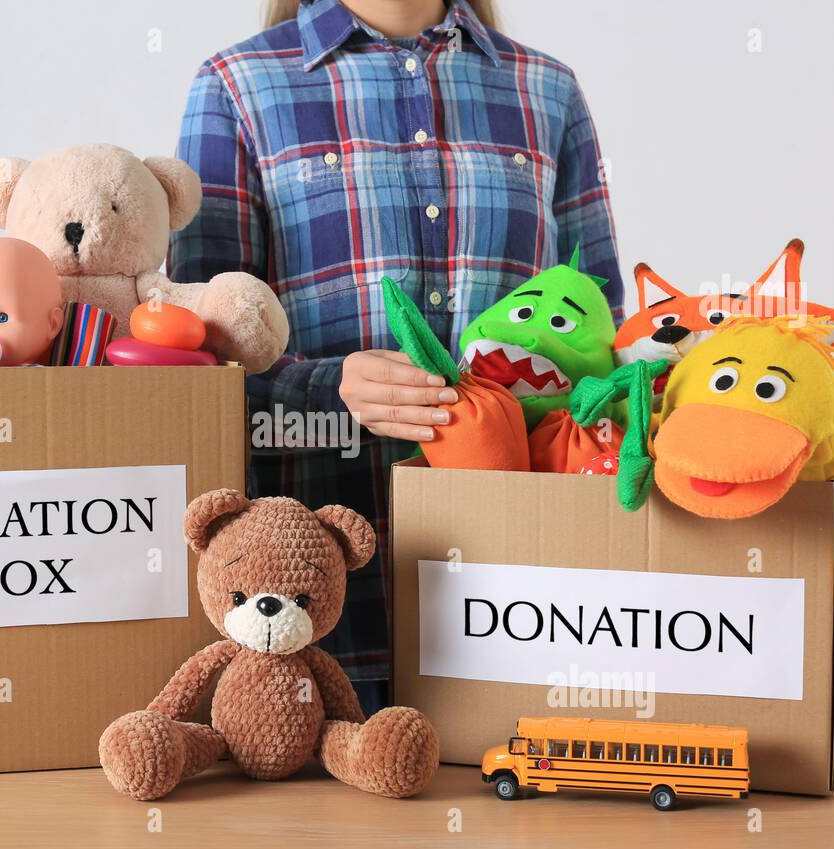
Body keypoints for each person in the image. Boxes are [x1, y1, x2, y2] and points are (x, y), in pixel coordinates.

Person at [170, 0, 622, 712]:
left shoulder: (547, 89)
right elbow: (194, 347)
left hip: (524, 594)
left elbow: (602, 330)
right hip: (319, 599)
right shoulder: (239, 84)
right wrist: (327, 386)